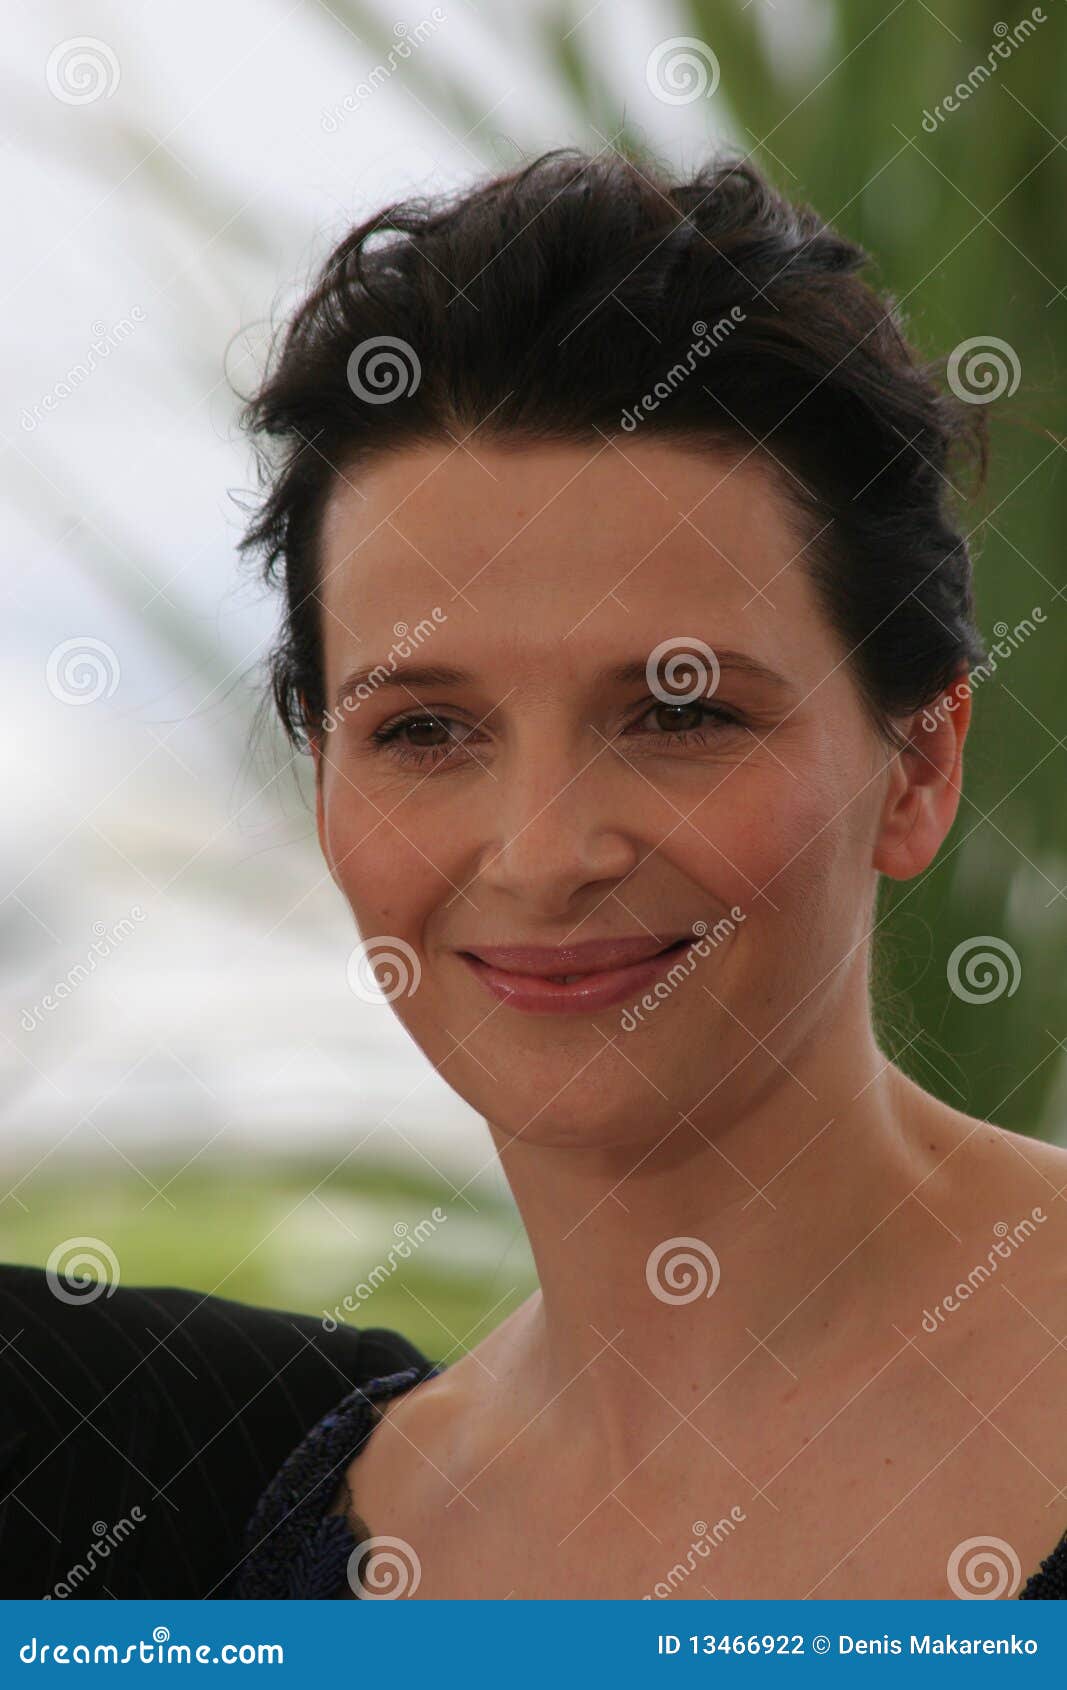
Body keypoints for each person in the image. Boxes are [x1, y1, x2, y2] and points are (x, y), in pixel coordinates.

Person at [4, 148, 1065, 1601]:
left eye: (682, 711)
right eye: (425, 729)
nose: (548, 851)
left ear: (921, 762)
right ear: (322, 772)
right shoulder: (274, 1540)